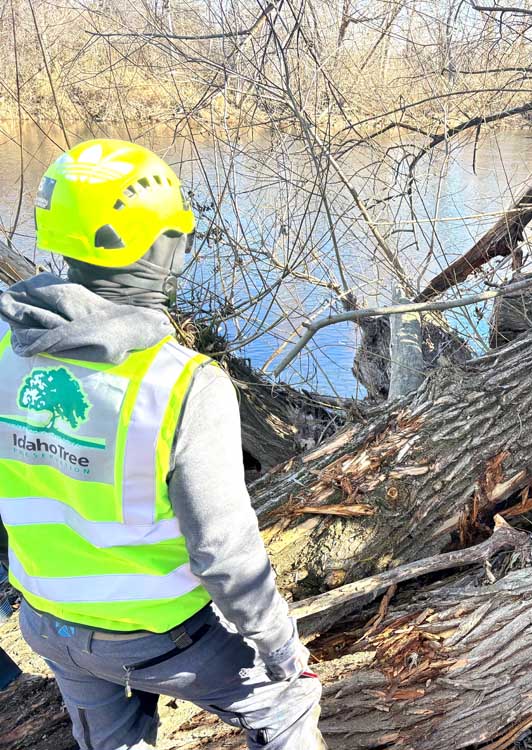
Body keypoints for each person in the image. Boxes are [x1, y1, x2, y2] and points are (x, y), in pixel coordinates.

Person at [0, 139, 325, 749]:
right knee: (288, 703)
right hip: (158, 636)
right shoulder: (180, 383)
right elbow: (223, 551)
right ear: (160, 247)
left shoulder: (4, 350)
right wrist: (283, 649)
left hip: (46, 624)